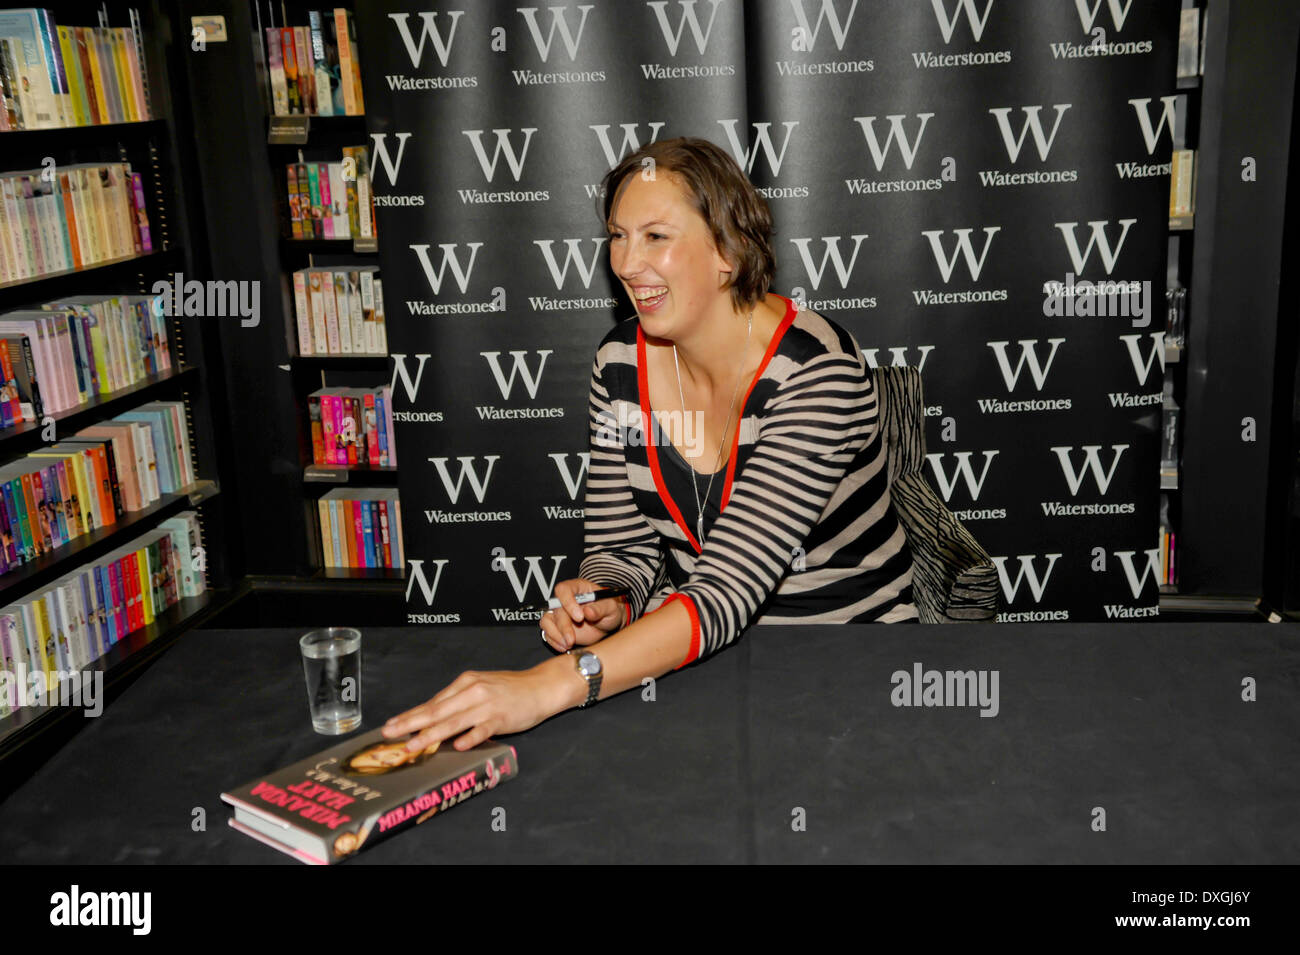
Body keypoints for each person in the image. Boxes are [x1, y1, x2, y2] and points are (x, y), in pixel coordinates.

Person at [383, 137, 918, 755]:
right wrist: (607, 598)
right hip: (698, 655)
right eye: (617, 236)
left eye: (656, 236)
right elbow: (620, 546)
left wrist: (548, 686)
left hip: (846, 658)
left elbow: (726, 590)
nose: (628, 263)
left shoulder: (815, 370)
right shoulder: (617, 363)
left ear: (729, 249)